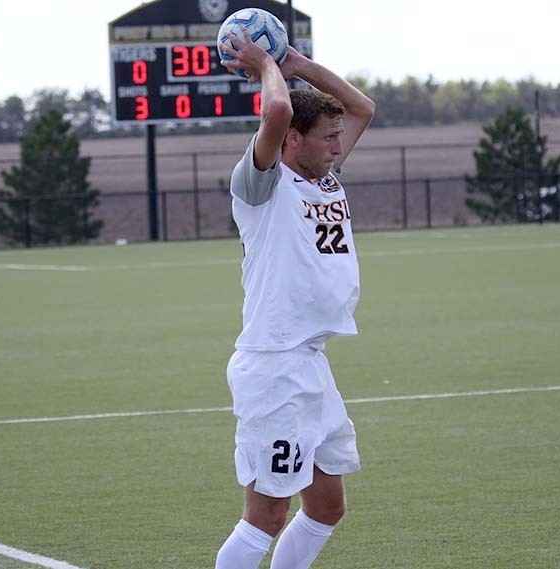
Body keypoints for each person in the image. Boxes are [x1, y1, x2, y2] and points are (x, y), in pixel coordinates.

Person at [214, 24, 375, 569]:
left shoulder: (324, 176)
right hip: (274, 367)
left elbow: (363, 107)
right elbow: (276, 113)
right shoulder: (263, 184)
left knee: (328, 506)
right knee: (266, 515)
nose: (338, 145)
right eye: (327, 137)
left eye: (337, 136)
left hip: (311, 362)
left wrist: (296, 62)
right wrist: (265, 66)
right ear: (292, 142)